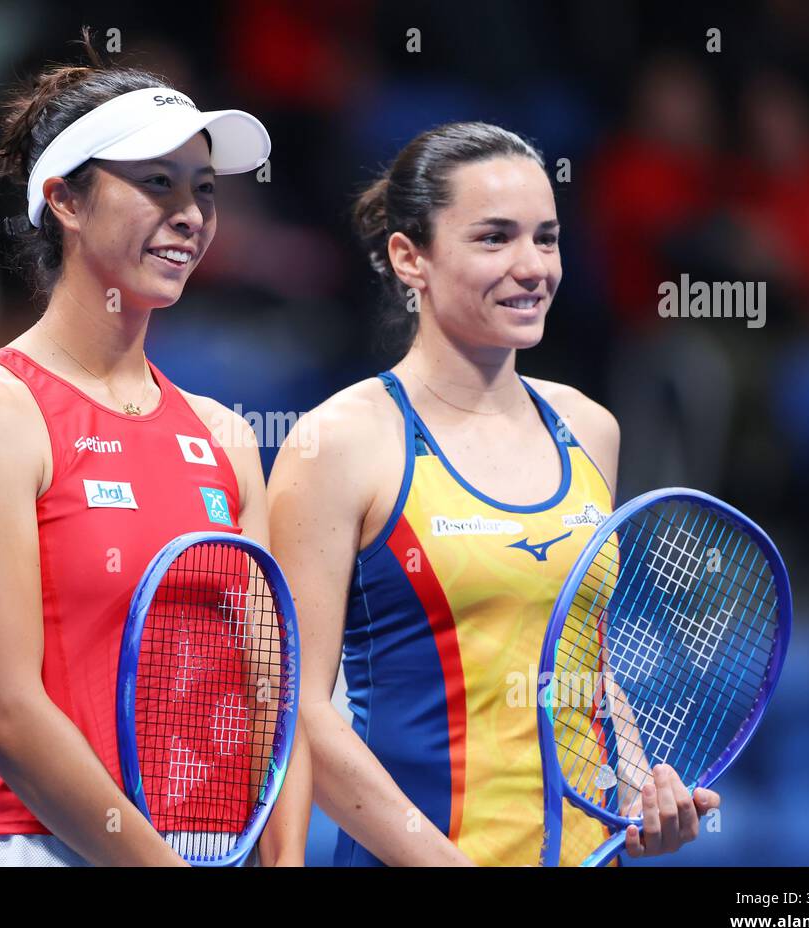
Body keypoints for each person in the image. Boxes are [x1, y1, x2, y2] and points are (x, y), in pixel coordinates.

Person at [267, 121, 719, 865]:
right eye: (494, 238)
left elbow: (587, 661)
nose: (532, 266)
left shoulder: (589, 429)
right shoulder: (337, 443)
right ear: (410, 257)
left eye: (547, 237)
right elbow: (301, 712)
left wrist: (637, 789)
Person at [0, 36, 310, 866]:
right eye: (156, 184)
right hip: (42, 848)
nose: (192, 215)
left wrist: (284, 859)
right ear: (64, 200)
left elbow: (273, 693)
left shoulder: (227, 438)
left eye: (204, 190)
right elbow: (5, 711)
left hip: (214, 846)